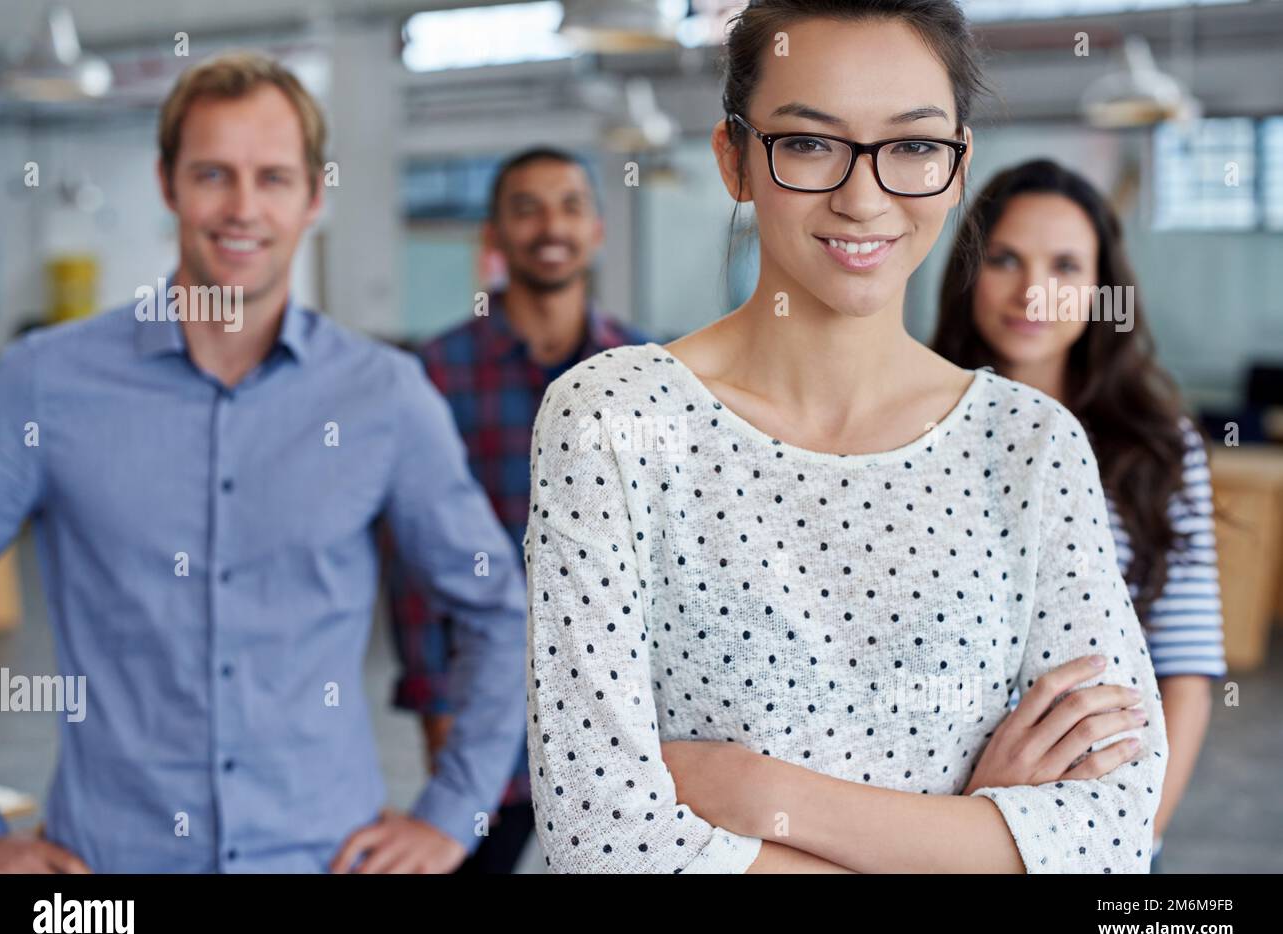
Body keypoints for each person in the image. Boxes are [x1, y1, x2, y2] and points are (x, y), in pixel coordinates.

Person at [523, 0, 1167, 874]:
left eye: (912, 146)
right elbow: (602, 840)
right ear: (735, 160)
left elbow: (1112, 830)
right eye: (809, 143)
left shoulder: (1028, 443)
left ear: (956, 166)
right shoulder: (615, 418)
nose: (863, 198)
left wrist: (752, 791)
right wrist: (976, 838)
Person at [0, 52, 526, 874]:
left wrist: (453, 813)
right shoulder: (42, 383)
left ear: (314, 196)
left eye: (272, 177)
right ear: (167, 184)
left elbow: (498, 607)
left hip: (322, 859)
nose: (242, 208)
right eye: (212, 174)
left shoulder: (382, 395)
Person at [931, 158, 1225, 873]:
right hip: (941, 804)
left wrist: (1136, 836)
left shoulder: (1157, 443)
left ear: (1100, 288)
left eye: (1065, 266)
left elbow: (1184, 667)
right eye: (1005, 258)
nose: (1035, 292)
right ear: (970, 271)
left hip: (1104, 807)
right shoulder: (918, 422)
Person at [384, 147, 648, 873]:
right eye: (525, 208)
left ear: (595, 229)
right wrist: (434, 700)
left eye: (567, 205)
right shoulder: (436, 372)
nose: (548, 225)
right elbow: (411, 563)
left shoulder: (645, 370)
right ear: (495, 237)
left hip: (615, 704)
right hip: (481, 707)